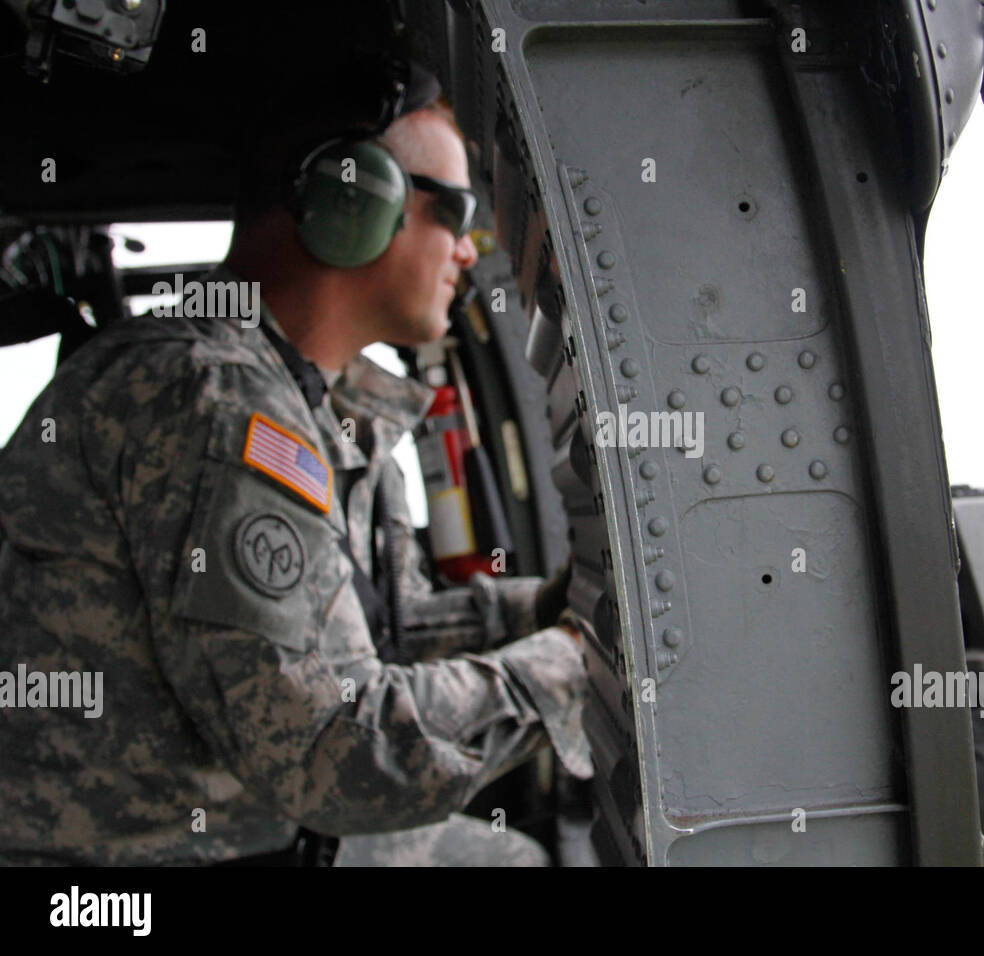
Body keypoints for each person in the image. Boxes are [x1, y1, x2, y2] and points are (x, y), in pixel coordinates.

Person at [0, 91, 591, 866]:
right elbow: (329, 754)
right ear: (353, 200)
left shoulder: (317, 410)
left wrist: (546, 610)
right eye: (451, 211)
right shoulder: (208, 401)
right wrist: (570, 668)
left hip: (243, 821)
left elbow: (375, 636)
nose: (469, 249)